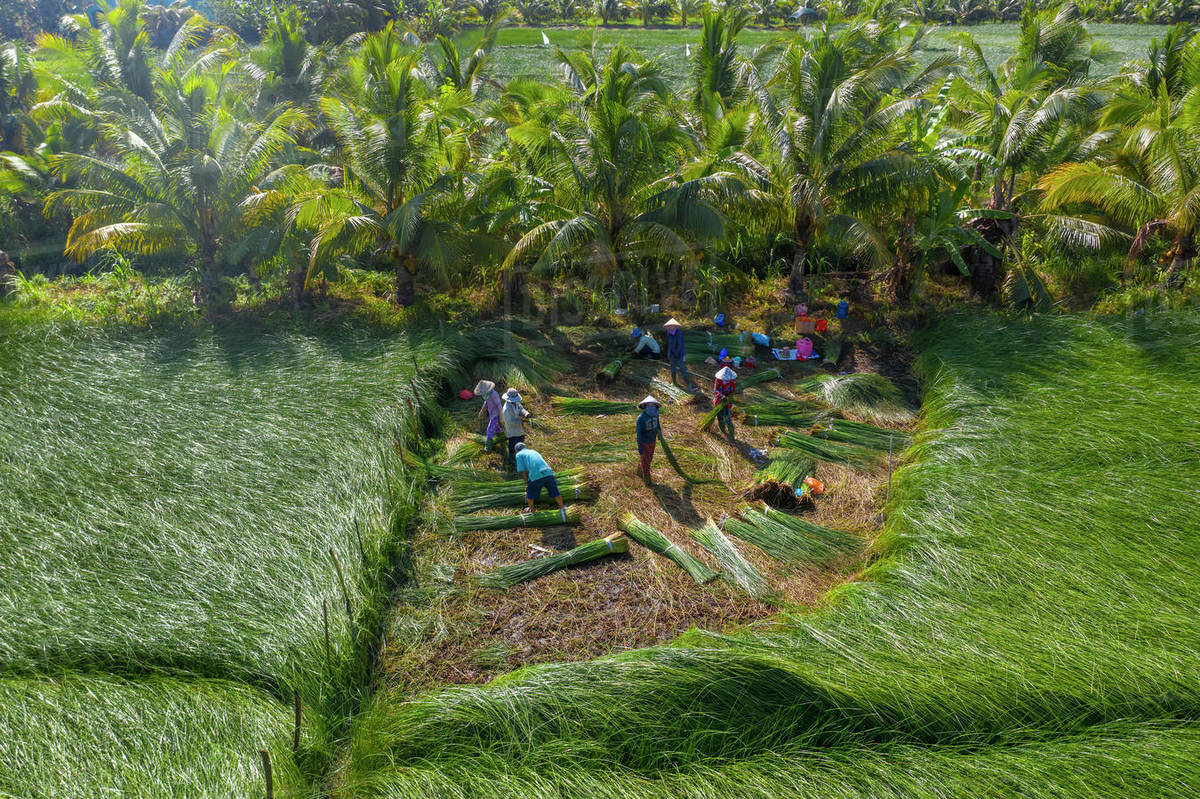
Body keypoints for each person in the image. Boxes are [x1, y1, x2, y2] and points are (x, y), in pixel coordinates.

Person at [514, 442, 567, 521]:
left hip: (536, 475)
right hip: (548, 472)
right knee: (555, 491)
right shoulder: (533, 451)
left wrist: (527, 483)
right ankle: (562, 507)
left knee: (530, 493)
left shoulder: (519, 455)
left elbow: (523, 471)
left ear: (517, 450)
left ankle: (531, 510)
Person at [635, 395, 661, 485]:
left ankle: (639, 471)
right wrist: (640, 447)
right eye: (649, 406)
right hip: (644, 442)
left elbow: (658, 425)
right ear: (645, 407)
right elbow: (639, 434)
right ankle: (648, 481)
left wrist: (660, 433)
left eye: (653, 406)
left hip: (652, 440)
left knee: (649, 459)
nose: (651, 408)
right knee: (646, 462)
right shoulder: (641, 419)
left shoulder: (655, 414)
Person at [501, 388, 531, 468]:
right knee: (513, 443)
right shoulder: (506, 409)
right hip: (512, 430)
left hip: (519, 428)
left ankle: (520, 455)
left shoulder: (516, 403)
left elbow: (521, 409)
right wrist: (520, 421)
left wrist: (526, 414)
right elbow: (509, 421)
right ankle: (512, 458)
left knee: (521, 440)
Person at [664, 319, 696, 391]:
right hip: (672, 354)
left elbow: (680, 345)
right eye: (670, 326)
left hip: (679, 354)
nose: (671, 327)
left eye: (672, 325)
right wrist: (669, 354)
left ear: (675, 326)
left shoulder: (679, 333)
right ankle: (674, 383)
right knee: (672, 368)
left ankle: (689, 386)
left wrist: (676, 353)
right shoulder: (668, 333)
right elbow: (669, 344)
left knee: (682, 369)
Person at [474, 380, 502, 452]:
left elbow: (499, 405)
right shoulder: (487, 395)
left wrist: (501, 416)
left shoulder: (493, 394)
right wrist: (481, 411)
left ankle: (488, 447)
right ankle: (500, 434)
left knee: (490, 429)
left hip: (496, 414)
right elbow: (486, 403)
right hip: (491, 412)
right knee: (495, 426)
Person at [713, 366, 737, 439]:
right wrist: (721, 395)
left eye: (728, 379)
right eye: (725, 379)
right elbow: (715, 390)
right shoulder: (718, 381)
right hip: (719, 401)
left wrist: (728, 397)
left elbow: (733, 392)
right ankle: (722, 430)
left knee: (727, 417)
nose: (726, 380)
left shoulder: (732, 383)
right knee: (720, 417)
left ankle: (731, 433)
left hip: (727, 403)